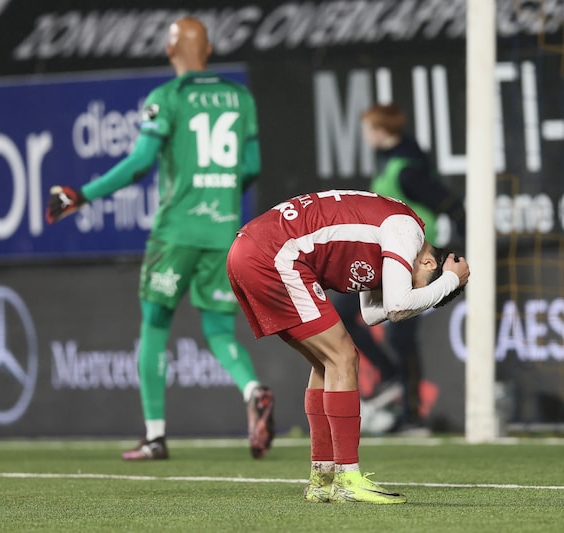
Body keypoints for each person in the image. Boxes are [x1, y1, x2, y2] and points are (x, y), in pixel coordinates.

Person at [45, 17, 274, 461]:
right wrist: (221, 193)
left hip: (176, 233)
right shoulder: (240, 96)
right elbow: (251, 166)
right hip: (223, 231)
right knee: (219, 329)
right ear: (209, 50)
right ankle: (252, 390)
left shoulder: (167, 98)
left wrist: (82, 195)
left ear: (170, 51)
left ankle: (155, 436)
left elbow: (139, 163)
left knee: (154, 326)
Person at [226, 190, 469, 504]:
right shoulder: (407, 231)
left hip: (252, 250)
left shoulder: (396, 232)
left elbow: (371, 313)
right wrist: (450, 281)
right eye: (416, 284)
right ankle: (348, 478)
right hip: (274, 254)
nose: (409, 289)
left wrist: (434, 287)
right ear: (427, 261)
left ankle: (322, 479)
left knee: (326, 361)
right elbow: (398, 307)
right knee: (344, 357)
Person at [336, 103, 467, 435]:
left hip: (414, 258)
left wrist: (458, 252)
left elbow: (450, 204)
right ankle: (390, 376)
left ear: (381, 131)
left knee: (401, 333)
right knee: (344, 313)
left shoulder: (407, 171)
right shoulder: (389, 163)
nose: (365, 136)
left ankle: (412, 415)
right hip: (386, 255)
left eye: (368, 129)